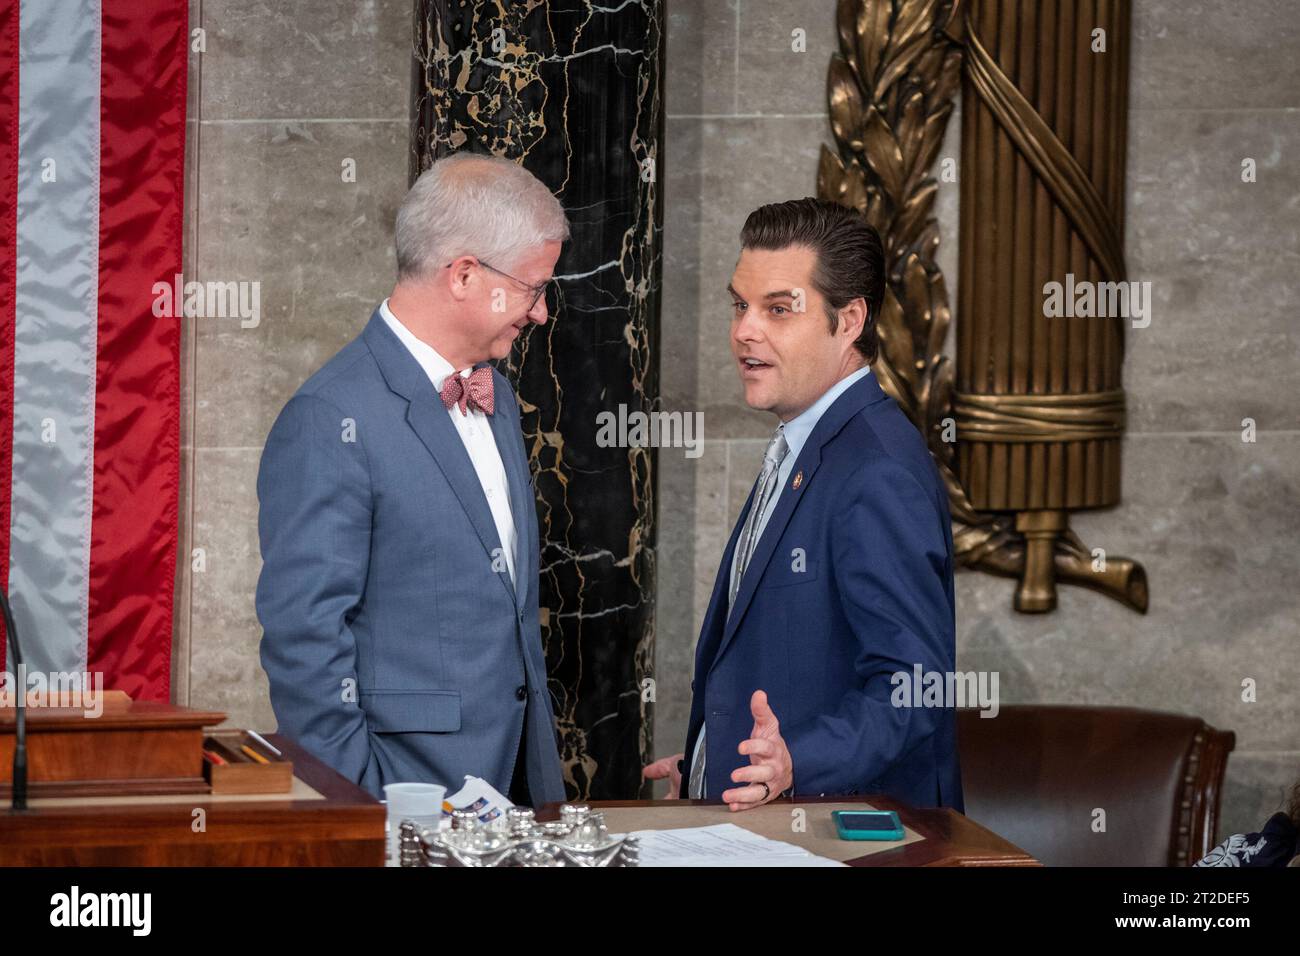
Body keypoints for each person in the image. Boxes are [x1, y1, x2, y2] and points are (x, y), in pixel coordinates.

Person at [256, 152, 568, 806]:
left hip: (519, 792)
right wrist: (358, 806)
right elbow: (305, 641)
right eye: (535, 287)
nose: (541, 313)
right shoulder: (329, 417)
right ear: (463, 275)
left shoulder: (498, 397)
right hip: (403, 795)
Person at [644, 197, 963, 812]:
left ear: (849, 321)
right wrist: (716, 766)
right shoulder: (808, 441)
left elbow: (916, 687)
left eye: (778, 309)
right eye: (740, 305)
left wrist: (799, 762)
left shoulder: (876, 469)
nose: (744, 330)